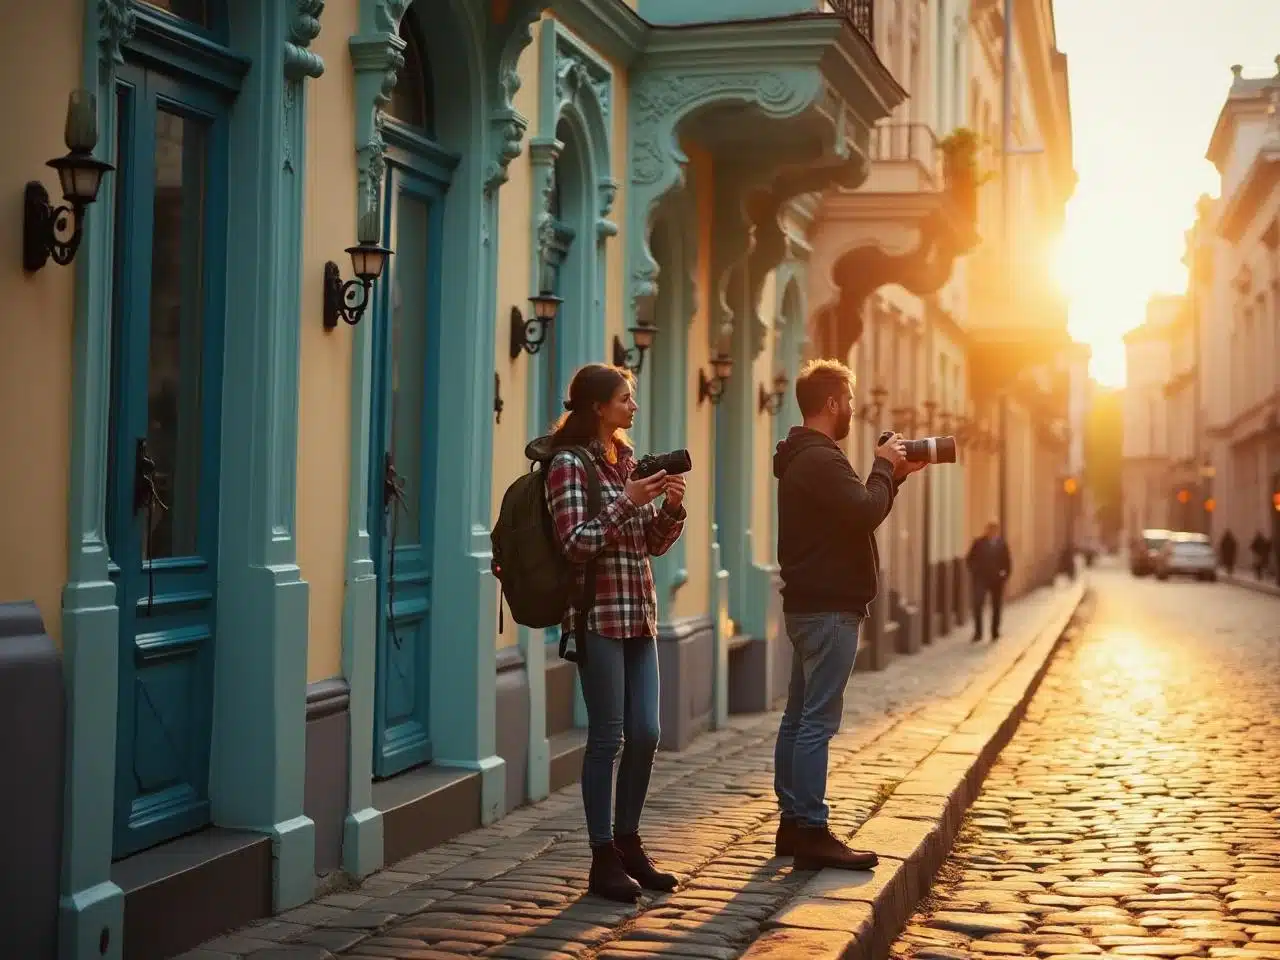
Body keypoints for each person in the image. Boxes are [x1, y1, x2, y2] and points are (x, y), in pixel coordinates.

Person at [771, 360, 925, 871]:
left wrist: (892, 479)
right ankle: (812, 829)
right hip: (828, 609)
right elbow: (863, 511)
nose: (855, 411)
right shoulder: (820, 458)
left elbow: (856, 512)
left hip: (809, 605)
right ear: (833, 403)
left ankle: (793, 824)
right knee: (816, 721)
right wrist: (884, 468)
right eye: (851, 402)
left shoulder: (805, 457)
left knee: (797, 718)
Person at [543, 363, 688, 903]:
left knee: (647, 732)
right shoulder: (567, 465)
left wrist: (669, 509)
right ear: (599, 406)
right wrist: (627, 500)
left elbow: (648, 544)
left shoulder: (626, 460)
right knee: (608, 737)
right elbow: (575, 543)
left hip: (639, 615)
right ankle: (602, 855)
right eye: (626, 399)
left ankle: (628, 843)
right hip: (597, 615)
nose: (633, 407)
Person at [967, 521, 1011, 642]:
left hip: (997, 580)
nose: (992, 532)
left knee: (996, 606)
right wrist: (975, 572)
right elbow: (970, 559)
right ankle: (978, 633)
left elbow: (1007, 562)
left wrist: (1004, 575)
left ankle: (995, 632)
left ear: (997, 531)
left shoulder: (1002, 545)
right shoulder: (978, 543)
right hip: (981, 579)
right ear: (987, 530)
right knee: (978, 604)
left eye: (995, 530)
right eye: (990, 530)